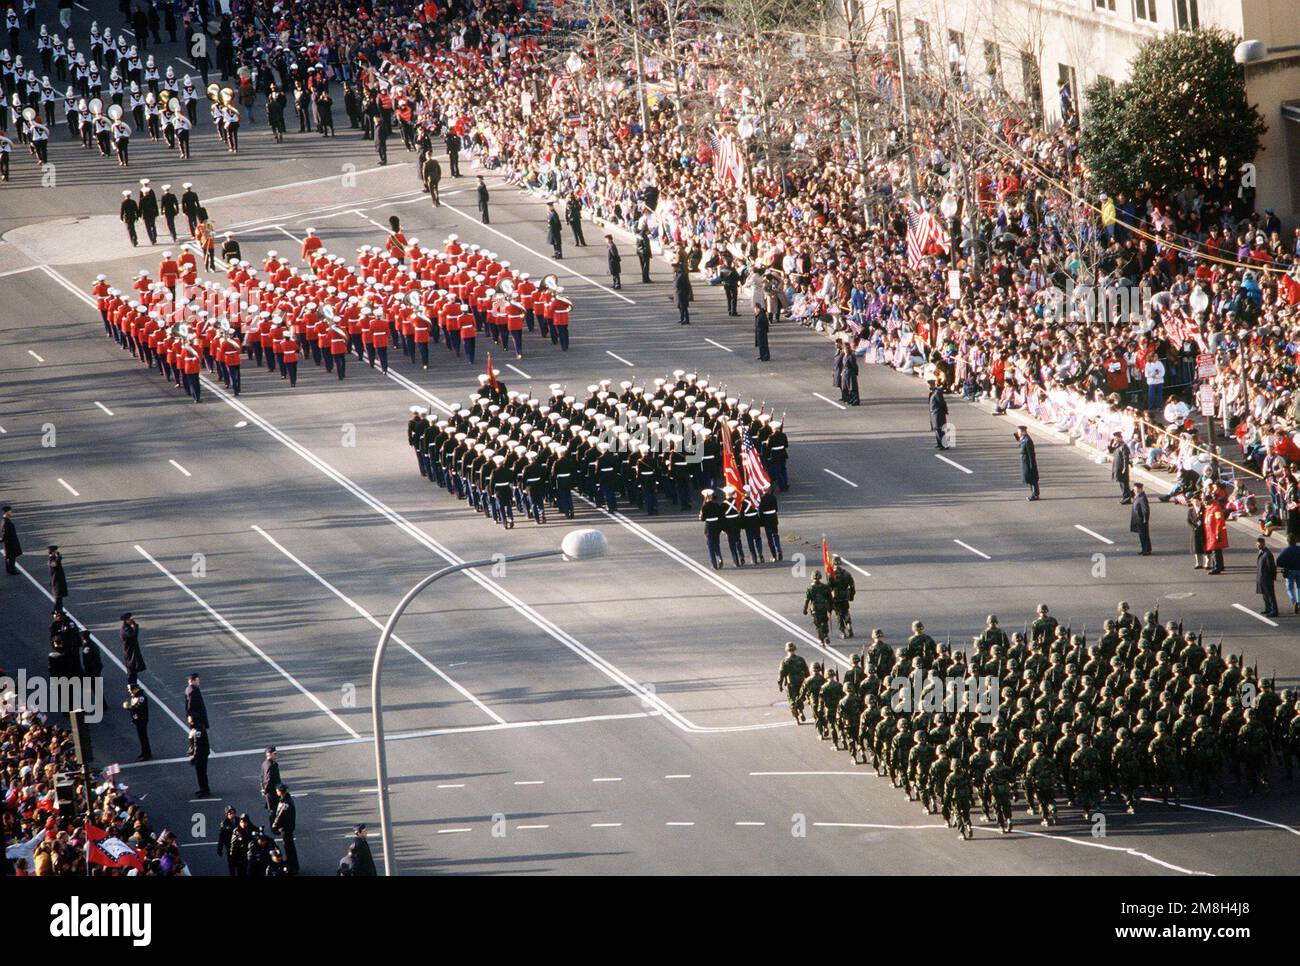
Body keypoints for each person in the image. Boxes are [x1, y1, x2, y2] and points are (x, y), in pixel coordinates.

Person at [272, 784, 298, 874]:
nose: (276, 792)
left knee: (288, 848)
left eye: (277, 791)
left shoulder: (285, 803)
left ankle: (293, 866)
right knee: (290, 847)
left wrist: (275, 825)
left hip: (285, 828)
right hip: (288, 826)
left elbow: (280, 816)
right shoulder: (287, 799)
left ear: (280, 791)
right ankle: (293, 864)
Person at [123, 682, 151, 760]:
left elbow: (138, 708)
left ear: (135, 689)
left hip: (142, 720)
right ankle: (144, 752)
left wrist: (128, 707)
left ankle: (147, 754)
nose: (129, 691)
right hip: (137, 720)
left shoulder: (141, 698)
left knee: (143, 737)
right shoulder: (134, 696)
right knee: (141, 737)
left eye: (130, 689)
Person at [1256, 536, 1279, 617]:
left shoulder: (1267, 554)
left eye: (1259, 544)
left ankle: (1274, 610)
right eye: (1257, 544)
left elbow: (1272, 567)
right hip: (1262, 578)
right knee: (1265, 595)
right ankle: (1268, 608)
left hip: (1267, 578)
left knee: (1270, 595)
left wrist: (1272, 577)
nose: (1258, 546)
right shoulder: (1262, 553)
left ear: (1263, 544)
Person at [1014, 426, 1039, 500]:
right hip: (1025, 462)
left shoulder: (1027, 441)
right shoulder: (1023, 438)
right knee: (1029, 479)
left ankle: (1035, 495)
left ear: (1024, 432)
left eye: (1019, 432)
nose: (1018, 433)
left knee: (1032, 479)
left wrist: (1032, 465)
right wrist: (1017, 434)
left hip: (1028, 463)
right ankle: (1034, 494)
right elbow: (1019, 439)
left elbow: (1031, 454)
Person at [120, 611, 145, 684]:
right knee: (132, 673)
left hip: (132, 653)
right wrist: (135, 627)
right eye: (130, 620)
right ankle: (132, 688)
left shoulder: (127, 628)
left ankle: (134, 688)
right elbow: (133, 636)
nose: (132, 621)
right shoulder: (125, 630)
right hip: (130, 654)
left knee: (134, 672)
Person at [1277, 536, 1300, 613]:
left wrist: (1285, 565)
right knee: (1299, 587)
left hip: (1289, 571)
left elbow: (1278, 562)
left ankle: (1294, 602)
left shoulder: (1285, 550)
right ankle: (1299, 602)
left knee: (1290, 588)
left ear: (1288, 541)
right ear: (1295, 541)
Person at [188, 721, 211, 797]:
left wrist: (194, 756)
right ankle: (202, 788)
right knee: (199, 772)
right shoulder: (194, 728)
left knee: (202, 772)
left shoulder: (198, 729)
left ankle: (205, 789)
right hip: (199, 754)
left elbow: (197, 744)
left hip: (201, 754)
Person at [1205, 498, 1228, 574]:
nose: (1204, 502)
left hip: (1215, 533)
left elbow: (1219, 521)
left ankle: (1216, 567)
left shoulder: (1216, 509)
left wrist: (1218, 532)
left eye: (1206, 500)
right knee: (1217, 550)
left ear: (1210, 500)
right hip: (1210, 533)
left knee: (1215, 550)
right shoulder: (1209, 508)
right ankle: (1220, 566)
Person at [1108, 431, 1132, 503]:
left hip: (1121, 467)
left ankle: (1127, 498)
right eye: (1114, 438)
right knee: (1121, 483)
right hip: (1117, 466)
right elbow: (1111, 451)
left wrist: (1125, 468)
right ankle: (1126, 497)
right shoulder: (1117, 445)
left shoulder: (1123, 446)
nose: (1115, 440)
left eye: (1116, 438)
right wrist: (1111, 444)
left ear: (1120, 438)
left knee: (1124, 484)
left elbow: (1125, 458)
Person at [1130, 482, 1152, 556]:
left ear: (1140, 489)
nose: (1134, 490)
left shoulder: (1142, 498)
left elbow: (1146, 510)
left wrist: (1145, 519)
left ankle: (1146, 550)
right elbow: (1130, 494)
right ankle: (1146, 549)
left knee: (1143, 536)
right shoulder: (1138, 495)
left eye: (1135, 489)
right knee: (1142, 535)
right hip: (1138, 519)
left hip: (1141, 520)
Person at [1187, 495, 1208, 569]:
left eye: (1197, 501)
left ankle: (1207, 563)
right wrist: (1194, 526)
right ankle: (1198, 563)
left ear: (1200, 501)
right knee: (1196, 548)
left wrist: (1202, 523)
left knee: (1205, 548)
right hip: (1195, 531)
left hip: (1203, 531)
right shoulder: (1190, 511)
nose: (1195, 503)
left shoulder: (1204, 509)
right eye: (1194, 501)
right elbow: (1189, 520)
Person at [260, 746, 281, 816]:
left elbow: (262, 777)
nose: (276, 755)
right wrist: (265, 790)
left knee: (273, 811)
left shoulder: (264, 763)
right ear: (269, 754)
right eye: (274, 754)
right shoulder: (270, 765)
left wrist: (263, 789)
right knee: (274, 812)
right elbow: (268, 780)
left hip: (270, 793)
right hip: (273, 793)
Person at [928, 378, 948, 448]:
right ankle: (939, 443)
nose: (929, 386)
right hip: (934, 413)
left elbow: (942, 402)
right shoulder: (932, 392)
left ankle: (944, 444)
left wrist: (945, 410)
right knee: (936, 428)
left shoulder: (937, 392)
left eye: (930, 384)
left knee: (940, 428)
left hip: (938, 413)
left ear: (933, 385)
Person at [2, 504, 21, 574]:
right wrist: (2, 540)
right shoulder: (6, 522)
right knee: (11, 556)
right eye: (10, 511)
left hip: (9, 541)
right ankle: (12, 570)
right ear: (7, 512)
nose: (11, 513)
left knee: (9, 556)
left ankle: (9, 569)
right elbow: (4, 533)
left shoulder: (4, 520)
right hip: (10, 542)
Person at [48, 545, 68, 610]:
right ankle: (57, 612)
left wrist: (58, 558)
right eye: (55, 551)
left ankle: (59, 611)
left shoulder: (53, 559)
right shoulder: (51, 560)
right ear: (52, 552)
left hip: (58, 582)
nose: (56, 552)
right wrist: (58, 558)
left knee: (60, 600)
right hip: (56, 583)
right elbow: (55, 565)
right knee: (58, 600)